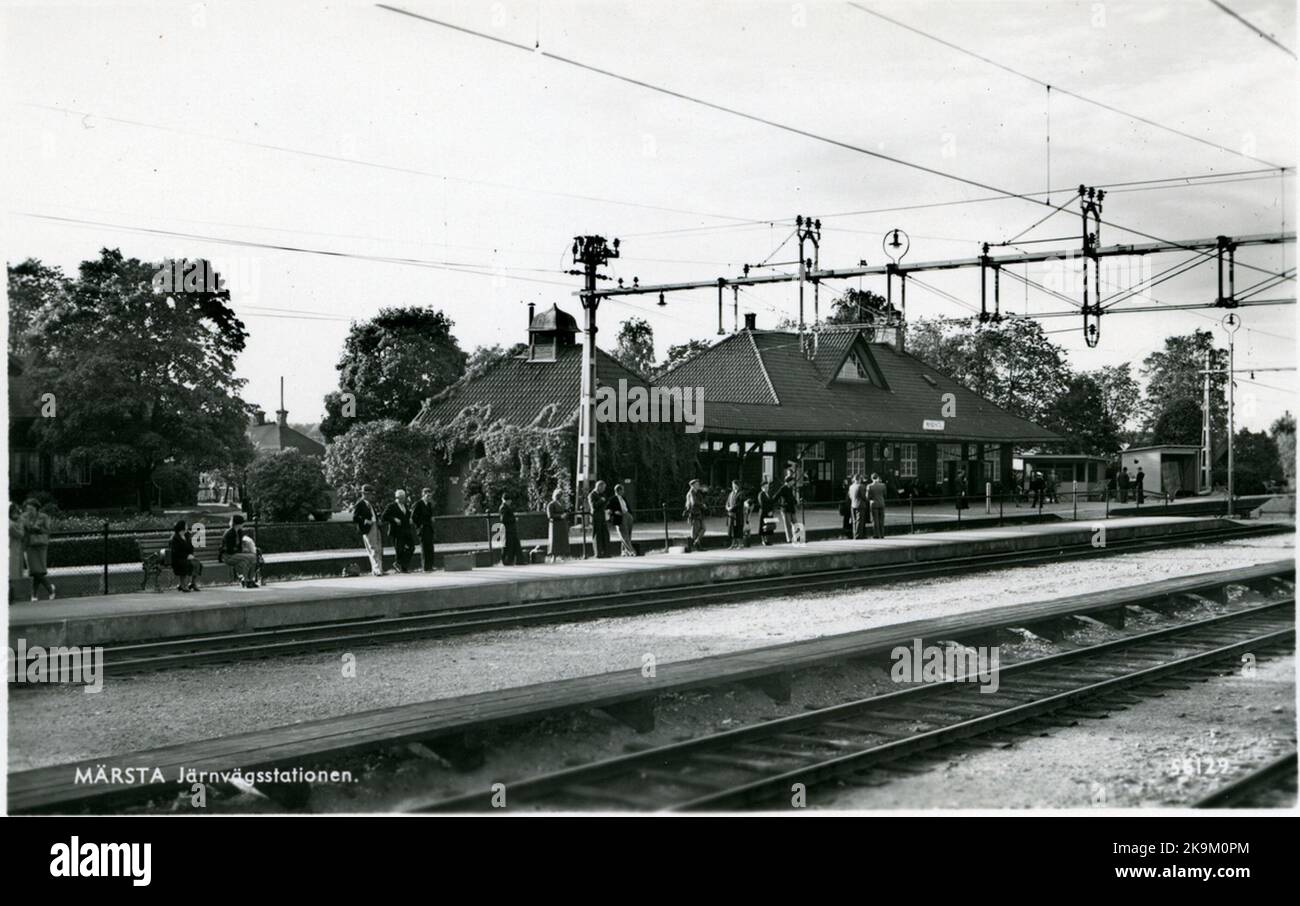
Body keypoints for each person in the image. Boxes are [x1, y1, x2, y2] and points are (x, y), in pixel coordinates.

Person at [21, 500, 54, 601]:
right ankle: (50, 588)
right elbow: (21, 529)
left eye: (31, 509)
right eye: (27, 509)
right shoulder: (23, 517)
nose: (29, 511)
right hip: (29, 545)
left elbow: (48, 530)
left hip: (40, 545)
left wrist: (38, 529)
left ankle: (34, 595)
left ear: (36, 508)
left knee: (38, 570)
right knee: (35, 570)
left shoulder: (43, 517)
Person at [219, 513, 259, 587]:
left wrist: (242, 551)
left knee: (246, 561)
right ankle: (247, 580)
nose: (243, 525)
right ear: (238, 524)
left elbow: (239, 547)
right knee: (252, 557)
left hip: (235, 554)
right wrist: (241, 552)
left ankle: (248, 580)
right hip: (227, 556)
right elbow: (229, 550)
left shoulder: (239, 532)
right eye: (242, 523)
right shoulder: (229, 533)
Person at [352, 485, 384, 576]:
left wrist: (377, 520)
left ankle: (378, 568)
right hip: (368, 528)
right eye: (369, 494)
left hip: (375, 526)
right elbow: (355, 517)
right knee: (373, 548)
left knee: (378, 548)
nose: (371, 496)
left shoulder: (370, 504)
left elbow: (373, 515)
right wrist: (365, 521)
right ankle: (377, 569)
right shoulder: (360, 503)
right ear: (365, 494)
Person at [382, 489, 415, 573]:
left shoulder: (405, 506)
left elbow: (407, 515)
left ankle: (401, 563)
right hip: (397, 531)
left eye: (404, 497)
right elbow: (384, 516)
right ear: (398, 497)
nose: (404, 499)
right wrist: (394, 519)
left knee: (411, 547)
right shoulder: (391, 506)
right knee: (399, 549)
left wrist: (410, 518)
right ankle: (402, 566)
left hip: (406, 530)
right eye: (402, 497)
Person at [168, 519, 202, 592]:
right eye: (186, 526)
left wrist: (190, 555)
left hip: (186, 557)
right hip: (177, 559)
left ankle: (193, 583)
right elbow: (175, 552)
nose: (187, 527)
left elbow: (191, 547)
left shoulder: (187, 536)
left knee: (197, 563)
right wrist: (186, 556)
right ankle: (183, 584)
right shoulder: (174, 538)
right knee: (185, 564)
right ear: (182, 527)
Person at [608, 483, 637, 556]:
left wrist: (630, 515)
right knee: (624, 535)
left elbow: (627, 506)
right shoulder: (612, 499)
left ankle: (624, 551)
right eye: (622, 490)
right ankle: (631, 551)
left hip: (627, 515)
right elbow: (608, 509)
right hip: (620, 517)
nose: (623, 491)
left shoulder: (623, 498)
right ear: (618, 490)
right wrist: (614, 512)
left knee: (628, 535)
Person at [413, 487, 436, 572]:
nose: (428, 497)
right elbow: (414, 517)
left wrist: (431, 519)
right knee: (424, 548)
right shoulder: (418, 504)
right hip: (423, 529)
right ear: (423, 494)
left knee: (430, 547)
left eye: (430, 495)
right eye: (427, 494)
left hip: (429, 528)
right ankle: (425, 566)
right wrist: (419, 526)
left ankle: (430, 566)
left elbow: (430, 515)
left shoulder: (429, 504)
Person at [499, 492, 524, 565]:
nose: (511, 502)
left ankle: (518, 560)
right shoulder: (503, 507)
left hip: (510, 529)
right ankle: (507, 561)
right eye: (509, 500)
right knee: (508, 545)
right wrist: (514, 519)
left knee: (514, 544)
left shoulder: (506, 507)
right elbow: (503, 519)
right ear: (507, 500)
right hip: (507, 530)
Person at [546, 488, 570, 561]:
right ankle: (553, 556)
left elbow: (566, 511)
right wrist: (560, 516)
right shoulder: (551, 504)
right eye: (559, 495)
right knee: (554, 540)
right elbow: (550, 515)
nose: (561, 497)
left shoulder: (562, 503)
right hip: (555, 525)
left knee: (563, 539)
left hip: (562, 524)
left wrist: (566, 514)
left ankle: (563, 555)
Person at [588, 480, 611, 558]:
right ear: (599, 486)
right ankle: (598, 553)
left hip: (603, 516)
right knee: (597, 535)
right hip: (596, 517)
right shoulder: (591, 495)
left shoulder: (602, 494)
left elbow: (605, 503)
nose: (604, 489)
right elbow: (593, 506)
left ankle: (606, 552)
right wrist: (601, 501)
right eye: (603, 487)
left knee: (605, 534)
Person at [684, 479, 708, 551]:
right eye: (697, 484)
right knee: (696, 531)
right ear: (693, 485)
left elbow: (703, 496)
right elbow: (694, 502)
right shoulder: (691, 493)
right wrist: (702, 505)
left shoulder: (697, 492)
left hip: (699, 513)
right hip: (694, 514)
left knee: (703, 528)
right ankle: (695, 545)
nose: (698, 485)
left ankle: (696, 542)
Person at [9, 502, 26, 588]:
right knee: (14, 571)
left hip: (14, 549)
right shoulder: (11, 525)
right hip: (13, 551)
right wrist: (21, 523)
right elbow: (21, 534)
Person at [724, 480, 745, 549]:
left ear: (738, 486)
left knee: (738, 528)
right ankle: (733, 543)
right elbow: (727, 502)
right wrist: (727, 507)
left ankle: (740, 544)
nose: (734, 486)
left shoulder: (741, 493)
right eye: (733, 485)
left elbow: (739, 504)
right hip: (731, 515)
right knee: (732, 529)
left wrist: (731, 508)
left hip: (738, 514)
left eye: (735, 485)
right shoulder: (731, 493)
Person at [867, 472, 888, 539]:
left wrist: (871, 498)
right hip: (881, 503)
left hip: (874, 504)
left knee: (875, 520)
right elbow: (885, 495)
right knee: (881, 520)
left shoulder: (869, 486)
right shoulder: (883, 485)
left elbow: (867, 497)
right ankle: (882, 534)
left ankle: (876, 534)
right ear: (877, 477)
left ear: (871, 478)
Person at [756, 480, 777, 546]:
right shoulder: (761, 494)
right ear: (762, 487)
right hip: (764, 512)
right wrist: (768, 511)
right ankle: (763, 540)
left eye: (767, 487)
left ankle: (768, 540)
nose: (766, 488)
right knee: (763, 526)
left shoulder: (768, 494)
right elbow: (762, 504)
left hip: (769, 512)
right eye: (765, 487)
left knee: (769, 526)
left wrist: (772, 511)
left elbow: (772, 503)